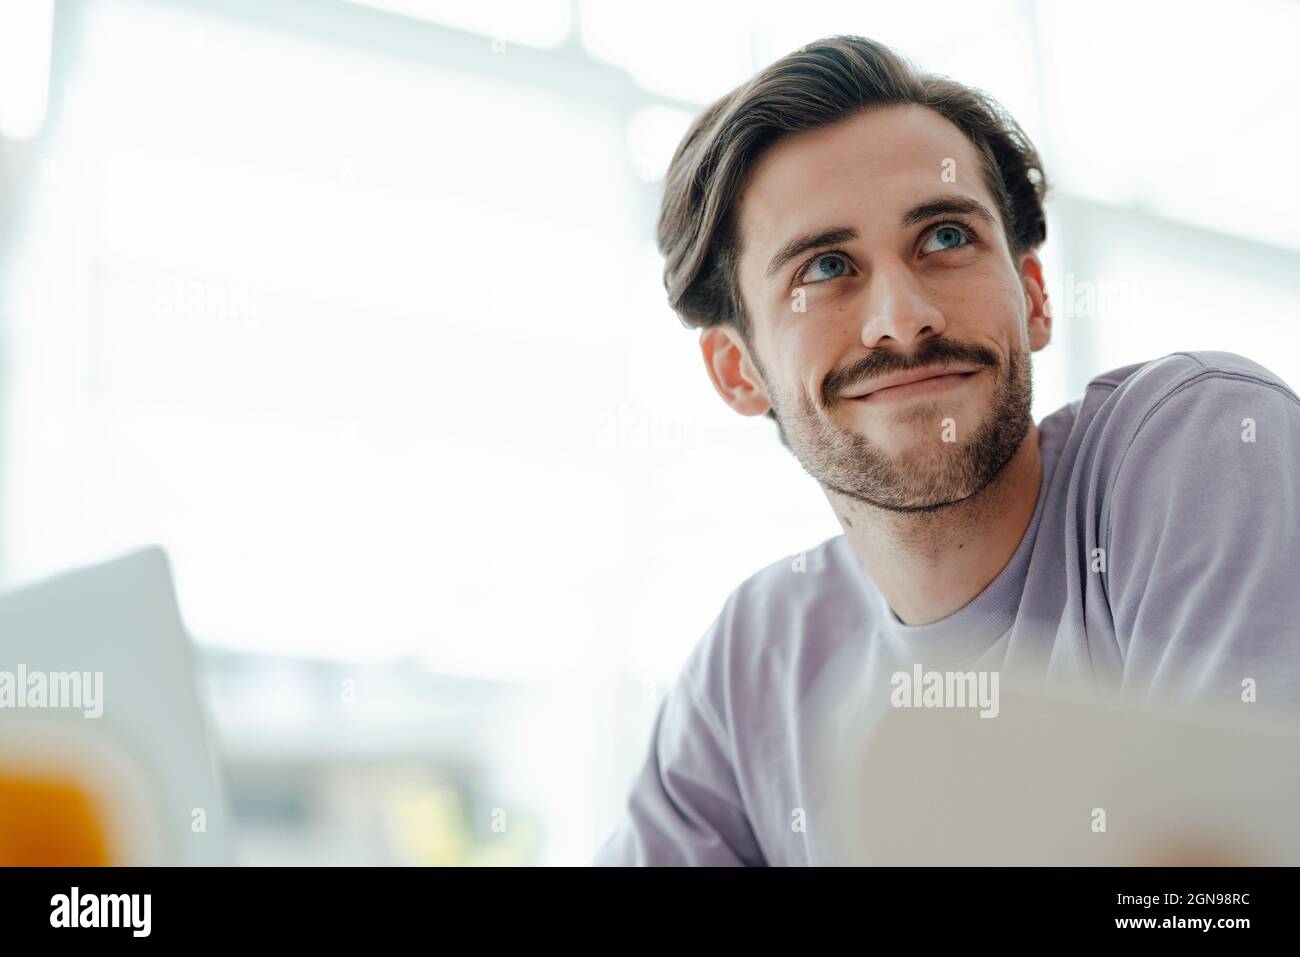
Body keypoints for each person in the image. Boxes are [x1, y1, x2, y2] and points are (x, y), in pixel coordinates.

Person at [595, 34, 1300, 866]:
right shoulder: (750, 667)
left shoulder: (1197, 447)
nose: (903, 315)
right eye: (826, 267)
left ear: (1034, 296)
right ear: (738, 371)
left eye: (944, 238)